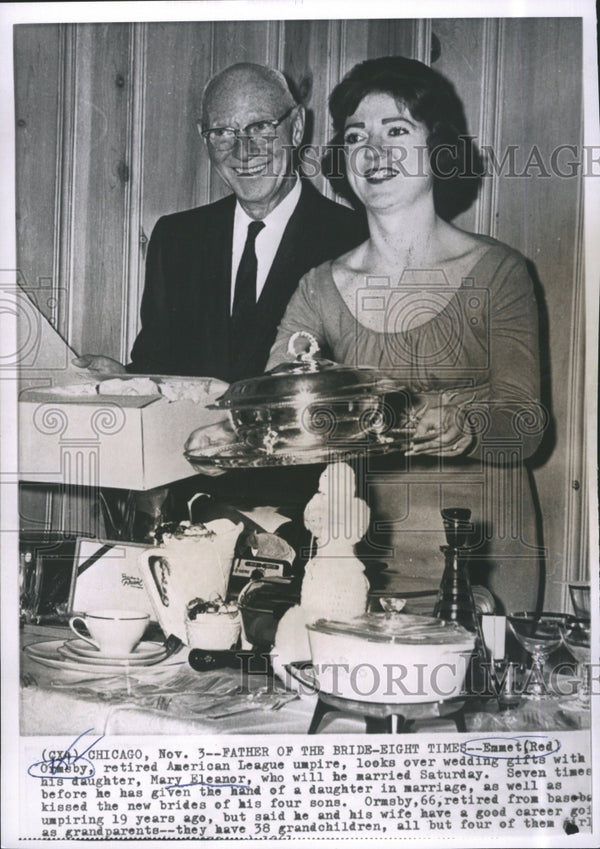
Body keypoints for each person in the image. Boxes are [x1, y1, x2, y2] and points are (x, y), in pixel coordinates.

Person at [264, 56, 546, 615]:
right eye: (355, 136)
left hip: (482, 557)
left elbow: (526, 427)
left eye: (397, 130)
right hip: (355, 559)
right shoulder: (319, 288)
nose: (374, 151)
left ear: (438, 149)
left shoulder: (500, 272)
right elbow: (281, 403)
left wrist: (466, 425)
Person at [75, 62, 366, 383]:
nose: (243, 151)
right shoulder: (177, 240)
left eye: (260, 127)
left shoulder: (355, 239)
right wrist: (129, 379)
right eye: (223, 133)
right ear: (205, 140)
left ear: (296, 128)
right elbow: (158, 365)